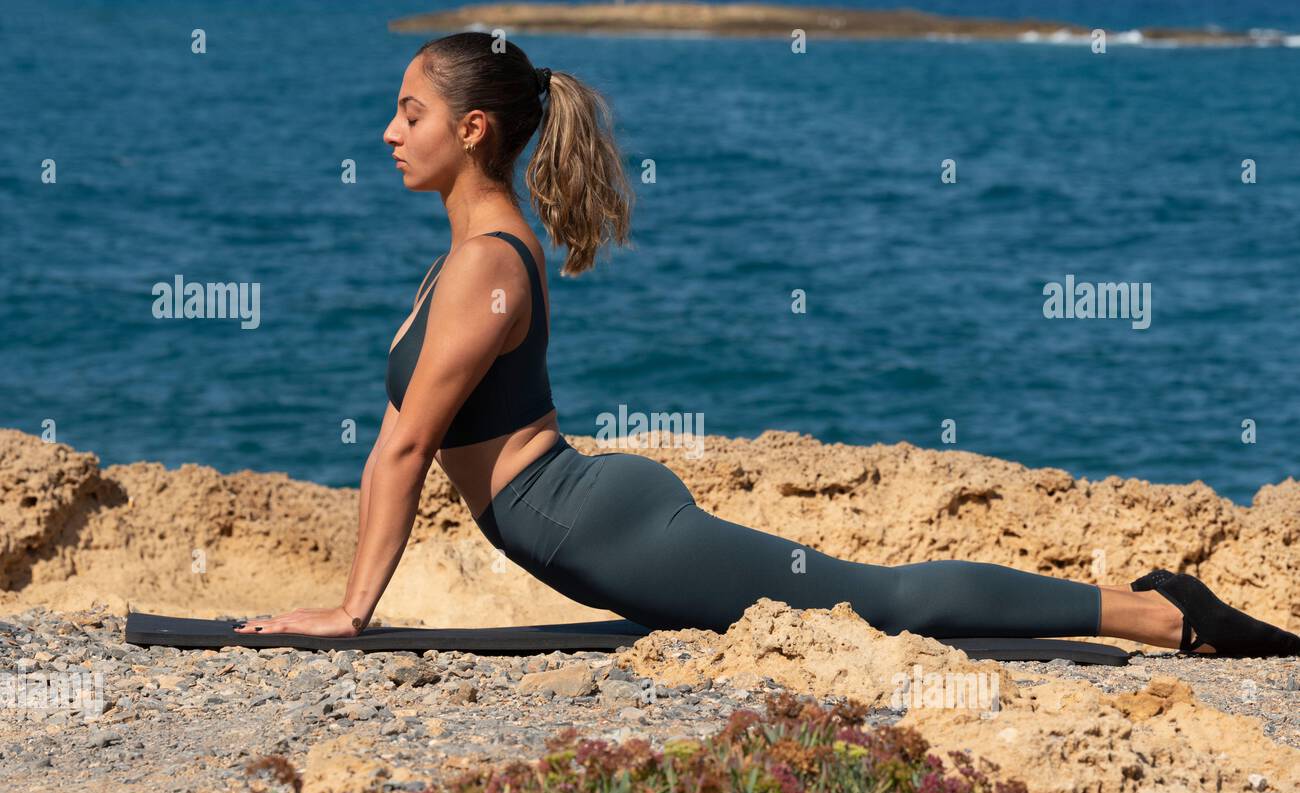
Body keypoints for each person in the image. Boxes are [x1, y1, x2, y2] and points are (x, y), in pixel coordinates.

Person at [233, 33, 1299, 659]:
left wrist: (349, 610)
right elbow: (400, 440)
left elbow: (405, 452)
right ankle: (1155, 609)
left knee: (880, 605)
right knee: (866, 598)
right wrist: (351, 600)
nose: (387, 130)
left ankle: (1163, 617)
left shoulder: (486, 265)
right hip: (579, 516)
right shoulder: (465, 256)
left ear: (471, 130)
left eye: (409, 111)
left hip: (594, 527)